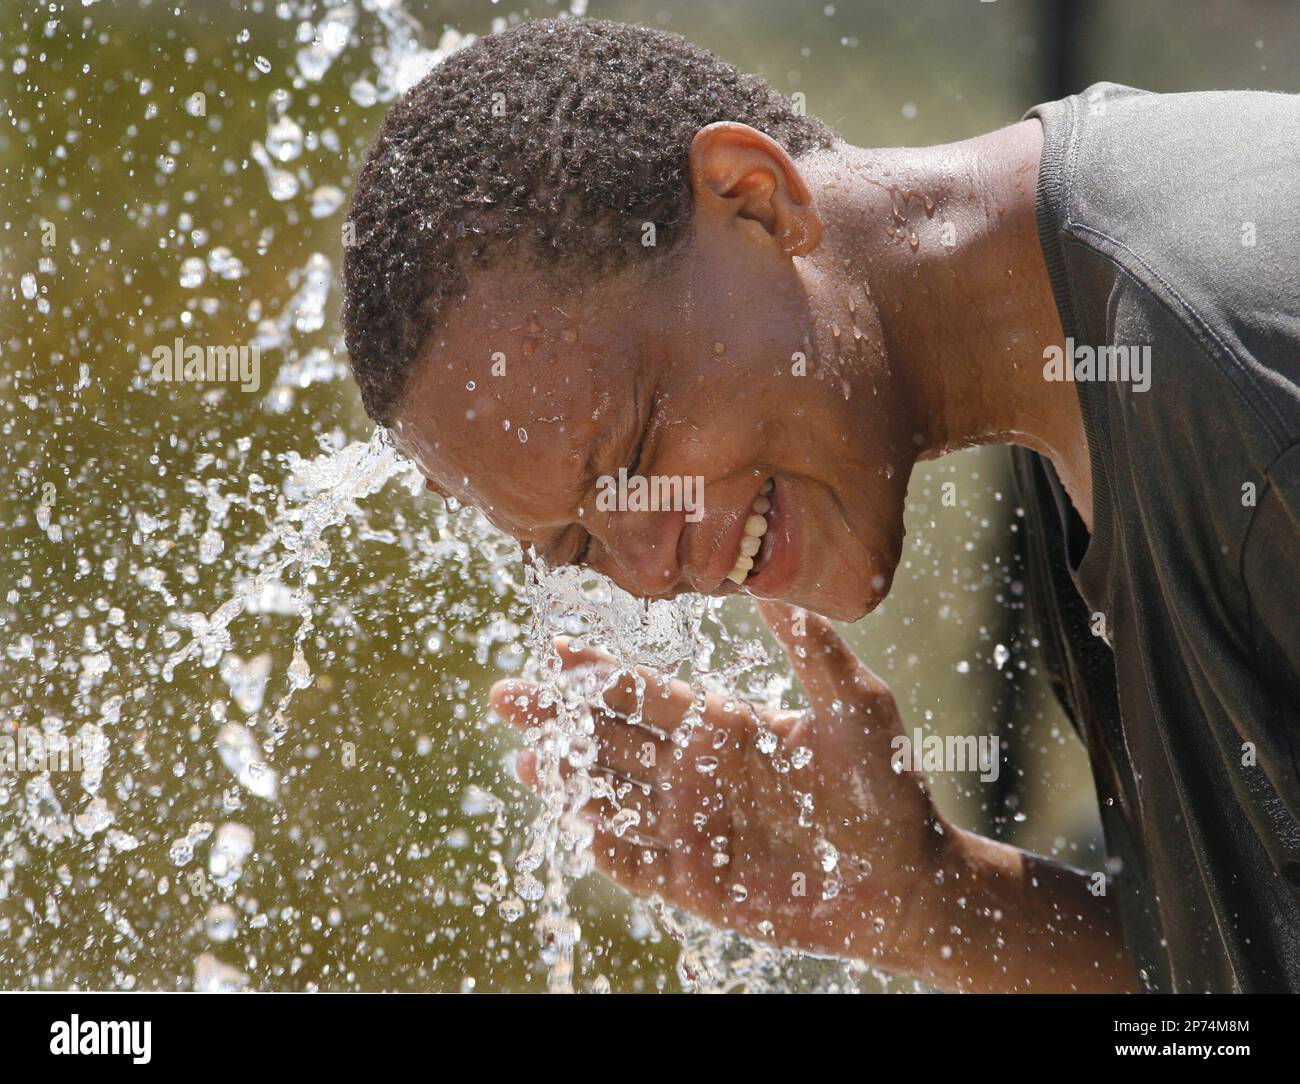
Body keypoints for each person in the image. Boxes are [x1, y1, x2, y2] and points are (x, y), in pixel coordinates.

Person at [341, 18, 1300, 992]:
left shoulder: (1240, 374)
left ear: (755, 198)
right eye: (582, 543)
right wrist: (932, 904)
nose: (648, 567)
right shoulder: (1090, 371)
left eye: (634, 452)